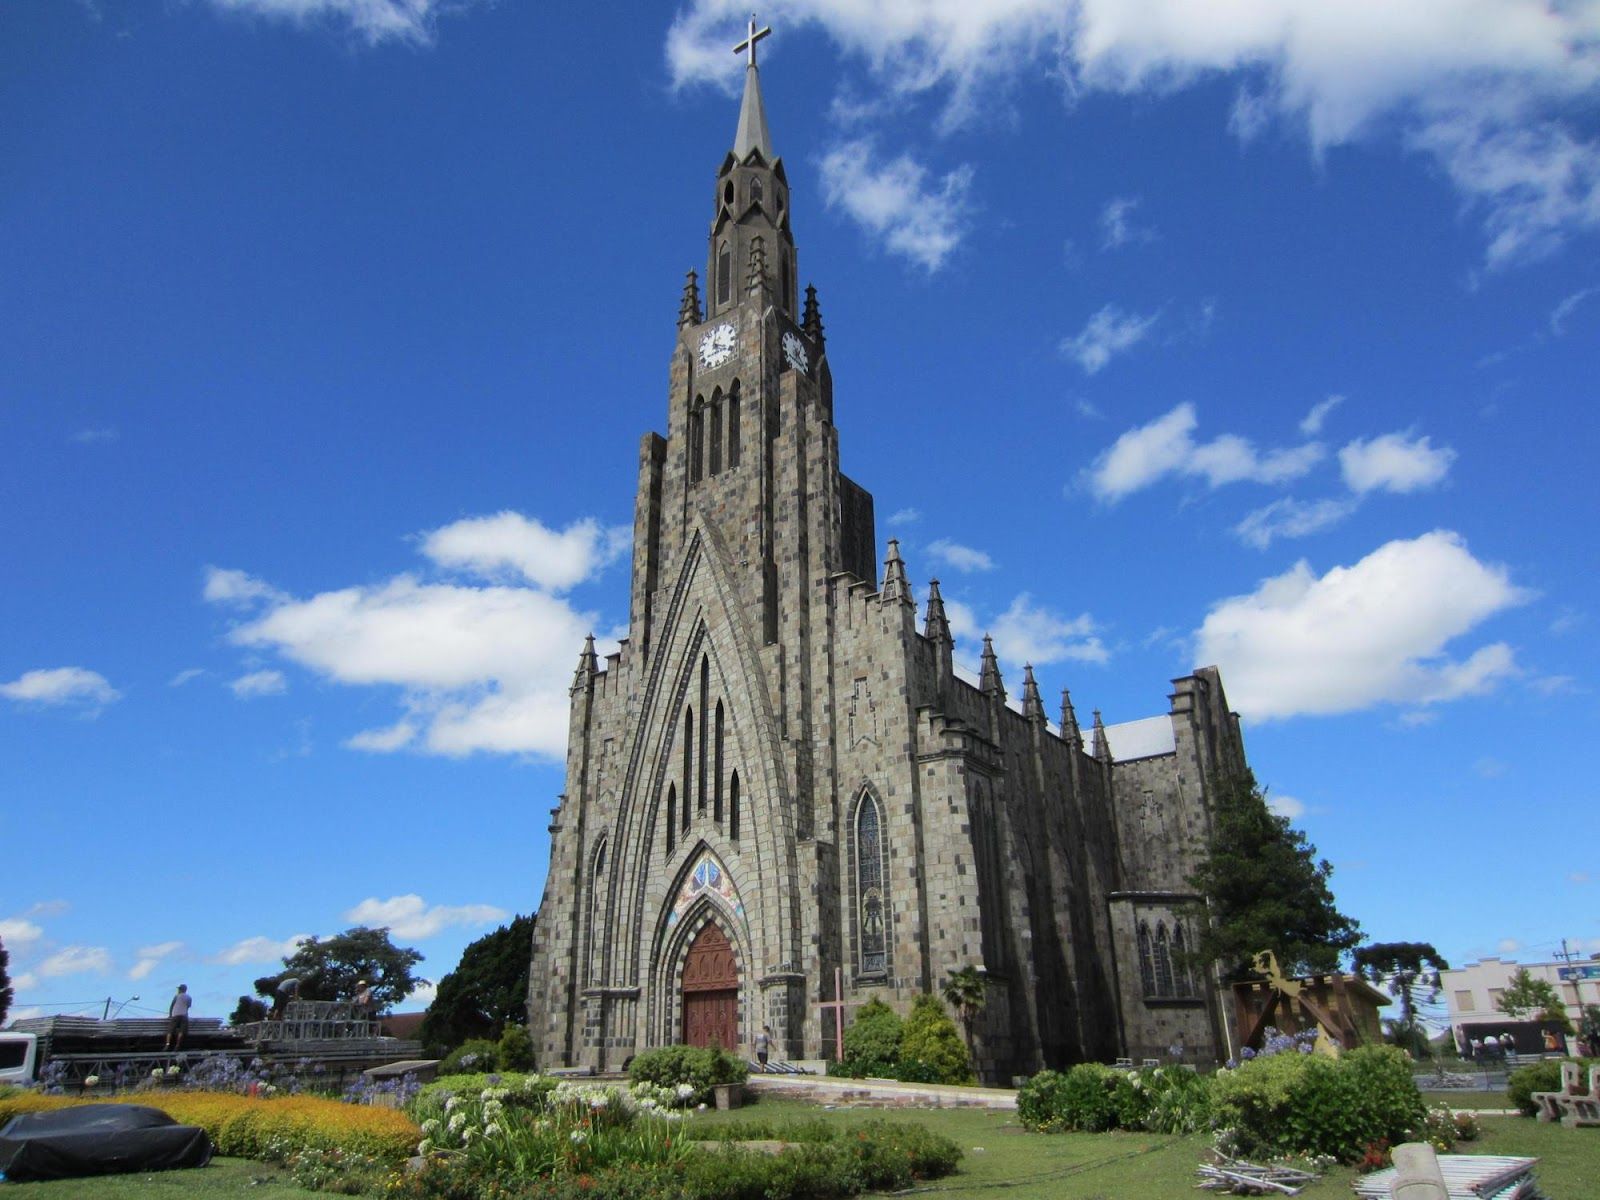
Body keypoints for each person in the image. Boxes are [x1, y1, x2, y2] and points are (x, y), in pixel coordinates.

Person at [164, 984, 192, 1050]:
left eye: (179, 989)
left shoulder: (176, 996)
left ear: (180, 989)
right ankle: (177, 1045)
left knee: (170, 1031)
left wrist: (170, 1015)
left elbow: (172, 1006)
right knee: (181, 1032)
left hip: (175, 1015)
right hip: (184, 1015)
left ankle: (167, 1044)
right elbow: (188, 1006)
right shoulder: (189, 997)